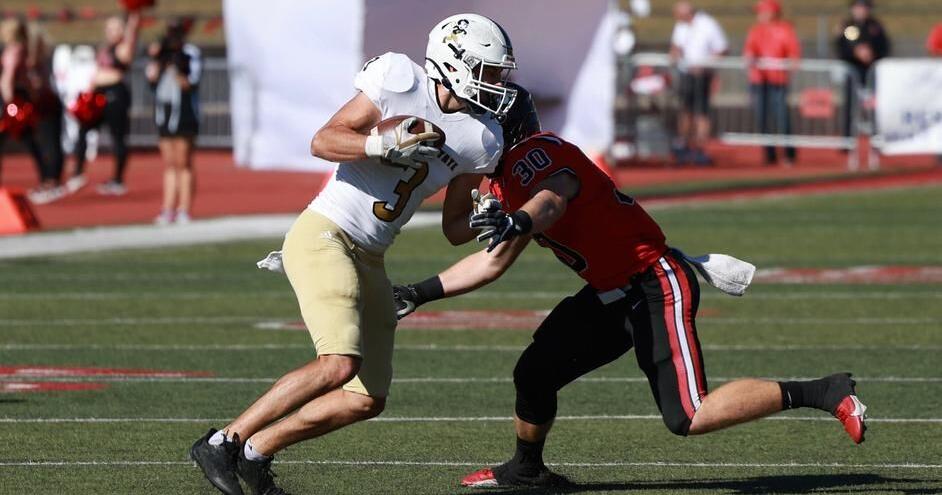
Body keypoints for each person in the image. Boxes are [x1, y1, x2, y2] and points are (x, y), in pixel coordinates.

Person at [393, 84, 868, 489]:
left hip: (654, 283)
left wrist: (518, 217)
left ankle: (823, 391)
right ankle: (527, 471)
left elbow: (552, 200)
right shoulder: (500, 180)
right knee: (535, 373)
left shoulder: (536, 153)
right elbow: (467, 242)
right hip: (609, 293)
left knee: (688, 415)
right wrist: (419, 289)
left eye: (476, 122)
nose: (469, 129)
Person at [188, 13, 515, 495]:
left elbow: (453, 227)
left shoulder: (483, 138)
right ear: (455, 62)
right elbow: (323, 140)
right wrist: (378, 142)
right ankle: (222, 442)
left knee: (366, 398)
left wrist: (491, 216)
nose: (497, 85)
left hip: (373, 256)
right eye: (488, 72)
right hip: (326, 233)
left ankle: (257, 452)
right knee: (338, 363)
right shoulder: (401, 80)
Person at [67, 11, 140, 196]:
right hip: (97, 94)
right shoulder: (105, 48)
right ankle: (78, 173)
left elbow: (133, 33)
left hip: (115, 94)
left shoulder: (124, 47)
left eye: (115, 28)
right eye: (109, 28)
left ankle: (117, 180)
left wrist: (134, 16)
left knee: (118, 137)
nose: (111, 31)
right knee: (83, 129)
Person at [146, 18, 201, 225]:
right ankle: (167, 208)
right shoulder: (161, 56)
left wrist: (176, 67)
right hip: (165, 114)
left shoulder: (190, 54)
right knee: (169, 164)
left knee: (183, 162)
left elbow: (190, 83)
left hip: (185, 114)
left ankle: (184, 208)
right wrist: (158, 61)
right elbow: (151, 80)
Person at [669, 1, 727, 165]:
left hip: (703, 74)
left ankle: (700, 148)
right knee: (685, 110)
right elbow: (676, 46)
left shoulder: (708, 24)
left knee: (702, 112)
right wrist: (674, 53)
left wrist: (706, 64)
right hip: (686, 73)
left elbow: (722, 49)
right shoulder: (681, 26)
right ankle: (684, 146)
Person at [744, 0, 800, 167]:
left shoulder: (785, 30)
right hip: (759, 81)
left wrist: (789, 63)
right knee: (762, 117)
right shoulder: (755, 30)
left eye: (764, 11)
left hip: (778, 80)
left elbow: (793, 53)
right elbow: (749, 51)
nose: (761, 15)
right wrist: (750, 59)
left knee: (781, 116)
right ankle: (769, 153)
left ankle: (788, 152)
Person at [0, 18, 46, 192]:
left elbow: (8, 77)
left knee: (28, 139)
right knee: (30, 140)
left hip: (12, 101)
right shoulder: (20, 49)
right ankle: (46, 178)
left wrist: (8, 102)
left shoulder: (15, 50)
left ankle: (46, 178)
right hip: (16, 99)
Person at [835, 0, 889, 138]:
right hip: (853, 71)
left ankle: (876, 139)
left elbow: (884, 47)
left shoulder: (876, 26)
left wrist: (871, 54)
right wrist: (855, 52)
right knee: (850, 106)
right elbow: (841, 48)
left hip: (871, 72)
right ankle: (847, 139)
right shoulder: (846, 26)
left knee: (874, 106)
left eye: (864, 7)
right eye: (858, 7)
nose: (861, 10)